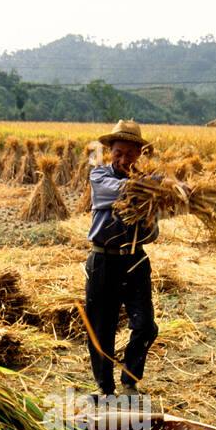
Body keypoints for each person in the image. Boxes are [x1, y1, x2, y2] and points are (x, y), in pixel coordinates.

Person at [84, 119, 160, 401]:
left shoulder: (148, 183)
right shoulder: (99, 177)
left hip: (135, 260)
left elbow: (153, 231)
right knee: (102, 329)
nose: (124, 159)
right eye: (118, 152)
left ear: (139, 153)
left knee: (145, 325)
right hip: (104, 261)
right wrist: (158, 186)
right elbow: (121, 192)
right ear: (110, 151)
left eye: (130, 153)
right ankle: (105, 388)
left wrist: (157, 200)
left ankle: (130, 380)